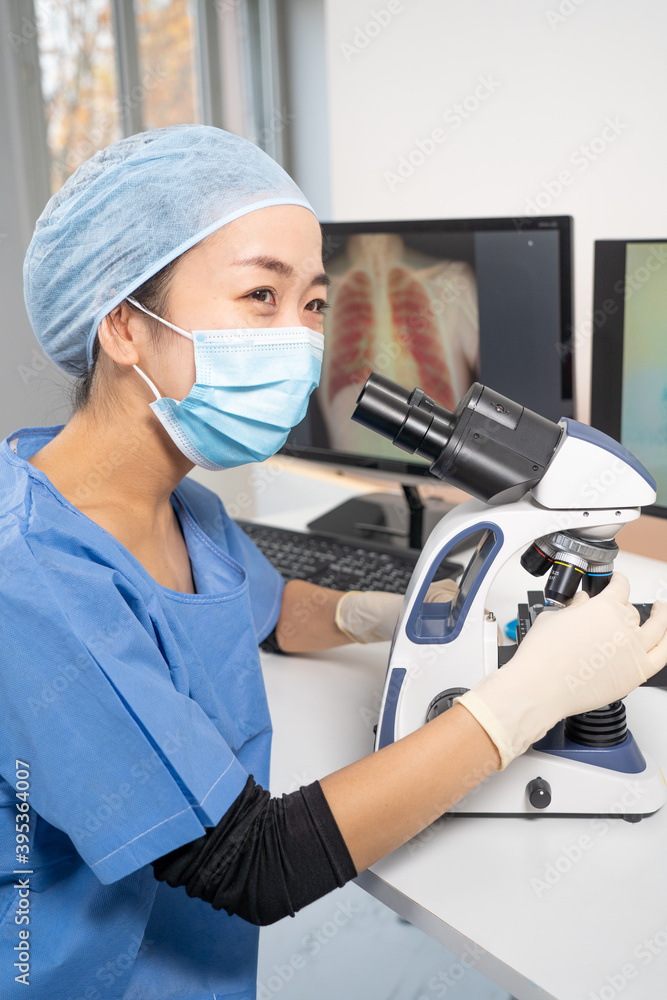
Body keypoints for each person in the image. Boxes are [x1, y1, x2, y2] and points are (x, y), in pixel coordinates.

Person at [1, 125, 666, 1000]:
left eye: (313, 305)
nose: (299, 340)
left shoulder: (178, 503)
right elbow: (251, 864)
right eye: (258, 296)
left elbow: (272, 610)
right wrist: (526, 698)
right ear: (125, 325)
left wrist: (383, 611)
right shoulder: (32, 574)